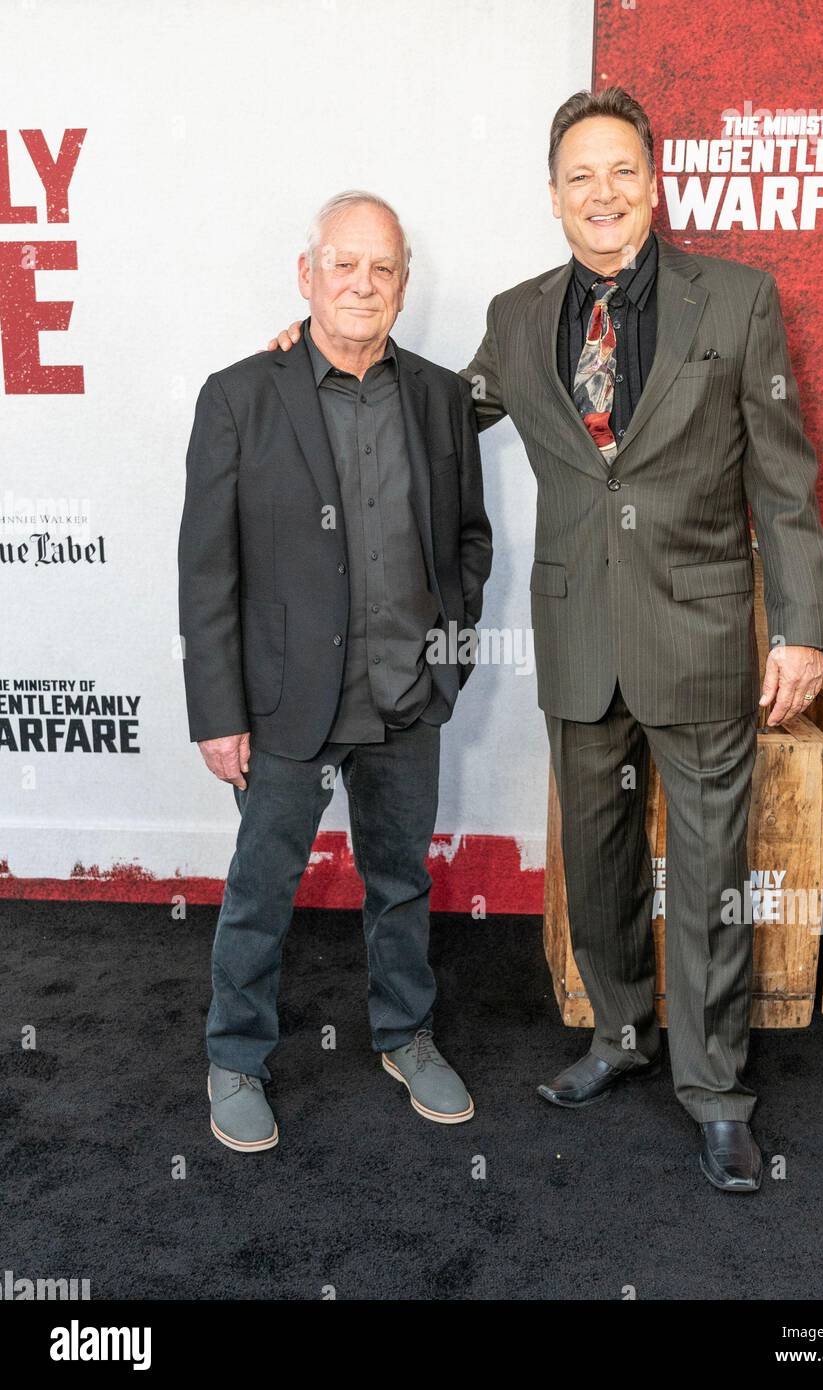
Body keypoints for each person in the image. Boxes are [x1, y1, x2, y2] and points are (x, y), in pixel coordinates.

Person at [267, 88, 823, 1192]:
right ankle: (619, 1035)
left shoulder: (739, 302)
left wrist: (802, 627)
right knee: (599, 858)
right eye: (580, 176)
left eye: (621, 171)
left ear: (655, 183)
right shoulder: (522, 316)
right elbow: (440, 408)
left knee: (711, 870)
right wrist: (327, 347)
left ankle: (716, 1089)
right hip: (578, 641)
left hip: (703, 634)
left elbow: (787, 478)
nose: (603, 193)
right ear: (555, 197)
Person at [179, 191, 493, 1152]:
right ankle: (235, 1055)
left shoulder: (441, 396)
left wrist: (449, 654)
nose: (363, 283)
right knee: (261, 887)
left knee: (401, 882)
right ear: (306, 274)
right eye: (344, 264)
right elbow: (207, 569)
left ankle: (406, 1033)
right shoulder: (238, 395)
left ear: (404, 285)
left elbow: (468, 541)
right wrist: (216, 711)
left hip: (407, 699)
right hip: (284, 707)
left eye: (383, 268)